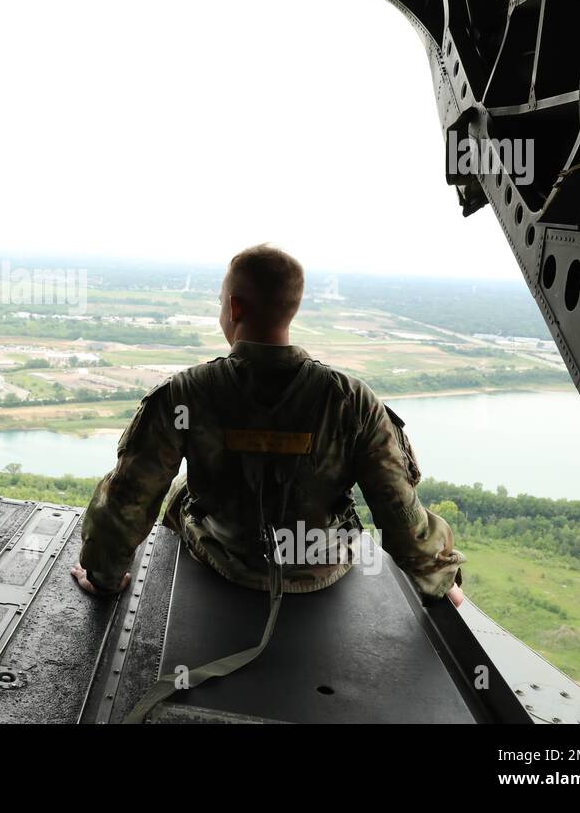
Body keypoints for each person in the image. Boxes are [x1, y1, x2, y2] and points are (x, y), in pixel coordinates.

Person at [70, 243, 465, 607]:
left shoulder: (186, 393)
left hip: (228, 560)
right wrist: (440, 580)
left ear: (235, 309)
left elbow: (129, 497)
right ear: (289, 308)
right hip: (322, 564)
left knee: (177, 493)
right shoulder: (352, 399)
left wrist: (103, 576)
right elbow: (399, 509)